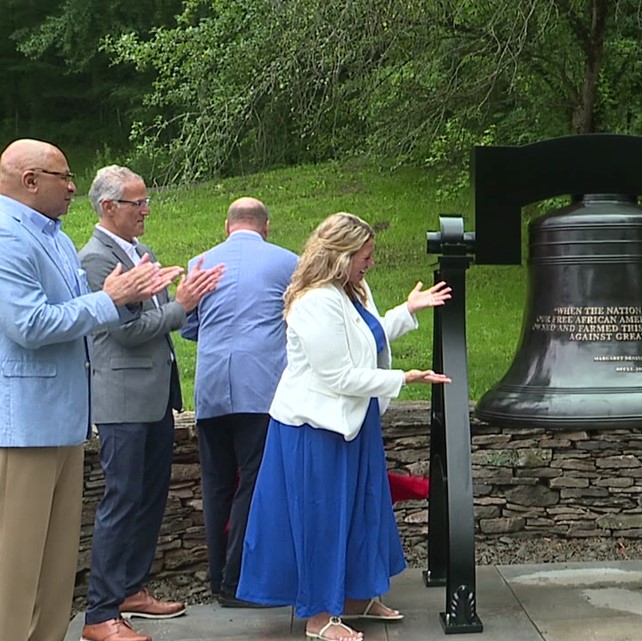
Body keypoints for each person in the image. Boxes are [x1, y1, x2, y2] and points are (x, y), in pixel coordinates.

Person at [237, 212, 452, 641]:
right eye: (364, 256)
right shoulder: (314, 301)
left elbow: (367, 339)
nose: (370, 264)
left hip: (356, 420)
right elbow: (339, 375)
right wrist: (404, 379)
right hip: (315, 428)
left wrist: (407, 311)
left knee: (362, 512)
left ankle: (356, 597)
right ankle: (319, 617)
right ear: (340, 255)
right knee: (322, 518)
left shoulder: (353, 290)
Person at [0, 140, 181, 641]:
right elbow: (29, 325)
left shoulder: (54, 237)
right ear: (30, 180)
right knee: (16, 569)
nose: (74, 187)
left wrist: (131, 297)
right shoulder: (7, 236)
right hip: (25, 427)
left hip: (65, 421)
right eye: (65, 176)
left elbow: (90, 313)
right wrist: (110, 301)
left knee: (56, 569)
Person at [79, 165, 225, 641]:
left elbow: (157, 317)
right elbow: (123, 331)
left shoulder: (142, 251)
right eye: (136, 203)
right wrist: (183, 305)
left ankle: (130, 590)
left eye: (146, 202)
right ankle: (100, 613)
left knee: (150, 498)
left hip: (156, 397)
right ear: (108, 207)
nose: (145, 210)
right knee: (122, 501)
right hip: (122, 400)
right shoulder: (95, 262)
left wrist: (182, 303)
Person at [179, 197, 298, 607]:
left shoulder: (201, 262)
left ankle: (216, 578)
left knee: (216, 485)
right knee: (252, 482)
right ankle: (237, 582)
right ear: (266, 227)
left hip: (211, 388)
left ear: (226, 227)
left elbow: (189, 327)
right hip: (261, 389)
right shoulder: (288, 263)